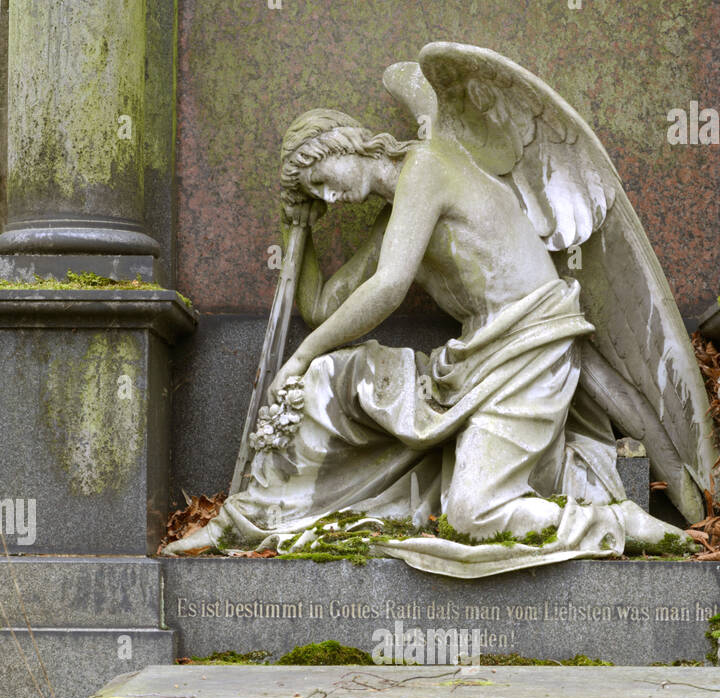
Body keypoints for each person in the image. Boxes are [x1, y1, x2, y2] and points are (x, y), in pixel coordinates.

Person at [165, 108, 681, 568]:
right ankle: (247, 518)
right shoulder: (401, 210)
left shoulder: (428, 166)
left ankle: (618, 524)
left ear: (348, 144)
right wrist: (297, 232)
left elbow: (388, 288)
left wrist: (300, 353)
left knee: (474, 515)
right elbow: (325, 306)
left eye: (323, 178)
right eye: (316, 194)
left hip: (531, 346)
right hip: (476, 357)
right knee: (330, 378)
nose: (328, 195)